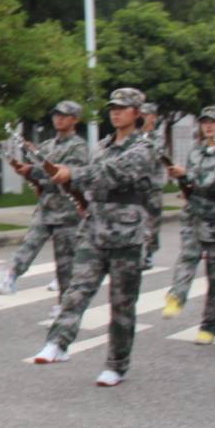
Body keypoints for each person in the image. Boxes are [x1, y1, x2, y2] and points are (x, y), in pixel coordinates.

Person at [30, 88, 155, 387]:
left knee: (122, 305)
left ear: (137, 113)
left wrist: (73, 174)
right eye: (113, 107)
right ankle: (58, 343)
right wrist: (62, 184)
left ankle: (117, 364)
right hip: (94, 231)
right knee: (76, 291)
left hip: (127, 234)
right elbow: (88, 180)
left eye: (123, 108)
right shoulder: (101, 145)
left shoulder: (145, 147)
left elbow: (113, 173)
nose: (116, 112)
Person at [0, 101, 89, 317]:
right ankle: (10, 275)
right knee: (29, 244)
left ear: (75, 119)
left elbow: (66, 174)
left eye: (65, 115)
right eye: (56, 115)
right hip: (46, 208)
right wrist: (26, 169)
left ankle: (64, 306)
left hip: (67, 212)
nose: (59, 119)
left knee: (65, 264)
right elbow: (39, 172)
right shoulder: (47, 145)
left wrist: (34, 171)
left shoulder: (78, 147)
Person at [162, 106, 215, 342]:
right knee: (187, 257)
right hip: (194, 214)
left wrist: (188, 175)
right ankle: (176, 296)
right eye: (205, 122)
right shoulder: (196, 151)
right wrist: (181, 178)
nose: (209, 126)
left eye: (214, 122)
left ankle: (210, 326)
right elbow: (192, 183)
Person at [139, 102, 164, 270]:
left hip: (153, 188)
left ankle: (149, 252)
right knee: (140, 221)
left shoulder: (157, 138)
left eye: (146, 115)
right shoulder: (133, 136)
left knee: (152, 222)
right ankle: (142, 252)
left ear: (153, 117)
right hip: (137, 188)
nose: (142, 118)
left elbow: (155, 155)